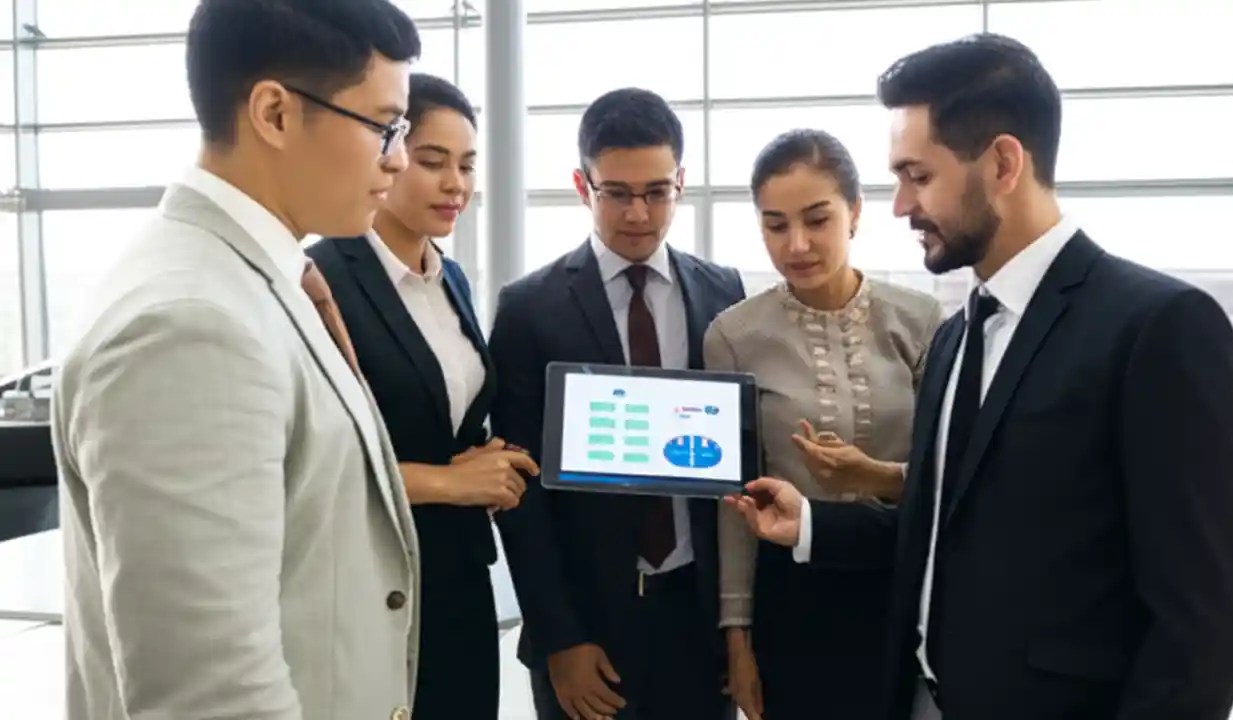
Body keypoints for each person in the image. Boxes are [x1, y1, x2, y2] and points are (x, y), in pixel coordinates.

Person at [726, 33, 1233, 720]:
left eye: (918, 176)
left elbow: (1204, 628)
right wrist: (810, 527)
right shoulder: (955, 336)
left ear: (1003, 162)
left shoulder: (1157, 329)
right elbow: (945, 531)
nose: (899, 206)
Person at [50, 2, 425, 718]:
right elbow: (213, 696)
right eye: (384, 125)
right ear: (276, 114)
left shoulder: (253, 279)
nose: (398, 158)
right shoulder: (189, 325)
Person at [490, 87, 745, 720]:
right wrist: (559, 636)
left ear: (681, 182)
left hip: (696, 614)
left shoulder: (722, 291)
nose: (639, 213)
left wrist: (738, 627)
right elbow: (520, 491)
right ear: (583, 185)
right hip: (587, 623)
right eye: (618, 193)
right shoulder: (529, 308)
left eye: (658, 191)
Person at [306, 73, 536, 720]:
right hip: (371, 576)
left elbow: (446, 417)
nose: (455, 184)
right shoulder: (322, 279)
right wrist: (450, 482)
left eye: (466, 165)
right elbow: (309, 465)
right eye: (433, 161)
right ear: (387, 152)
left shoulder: (451, 277)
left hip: (460, 575)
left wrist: (491, 462)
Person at [705, 128, 941, 720]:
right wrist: (738, 639)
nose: (798, 244)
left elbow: (949, 475)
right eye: (775, 225)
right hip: (794, 598)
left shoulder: (920, 319)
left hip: (901, 587)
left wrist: (879, 474)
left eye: (818, 219)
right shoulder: (734, 336)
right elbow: (732, 504)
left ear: (855, 213)